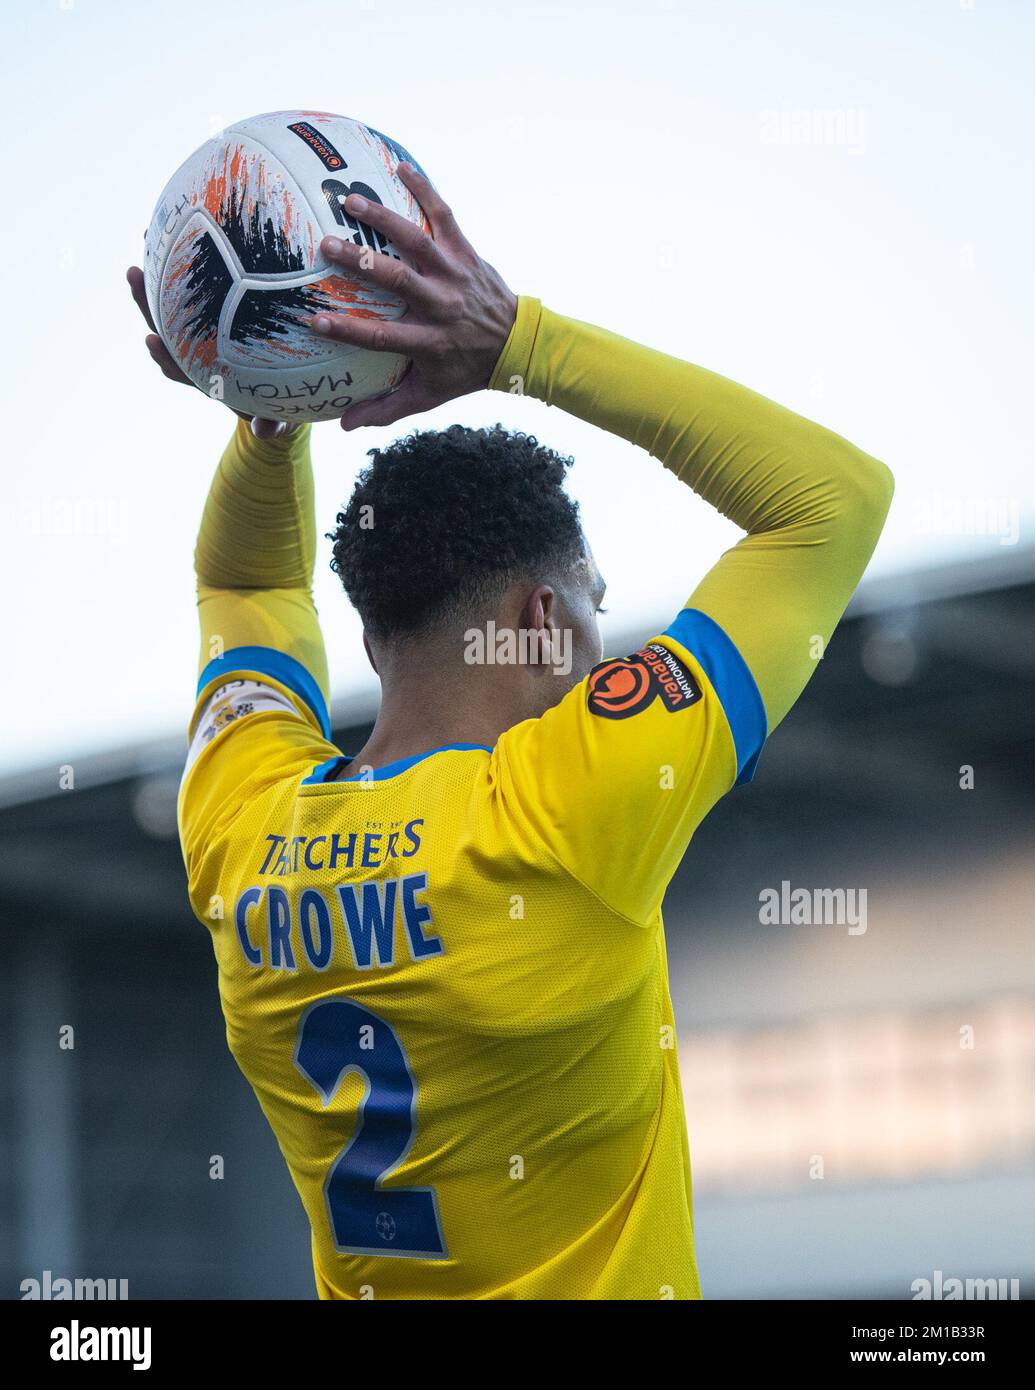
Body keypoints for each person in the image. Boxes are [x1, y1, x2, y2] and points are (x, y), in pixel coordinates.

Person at [127, 161, 892, 1300]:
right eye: (590, 604)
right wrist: (515, 343)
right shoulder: (569, 806)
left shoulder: (244, 827)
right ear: (543, 622)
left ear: (377, 634)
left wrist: (266, 403)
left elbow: (242, 587)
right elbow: (838, 495)